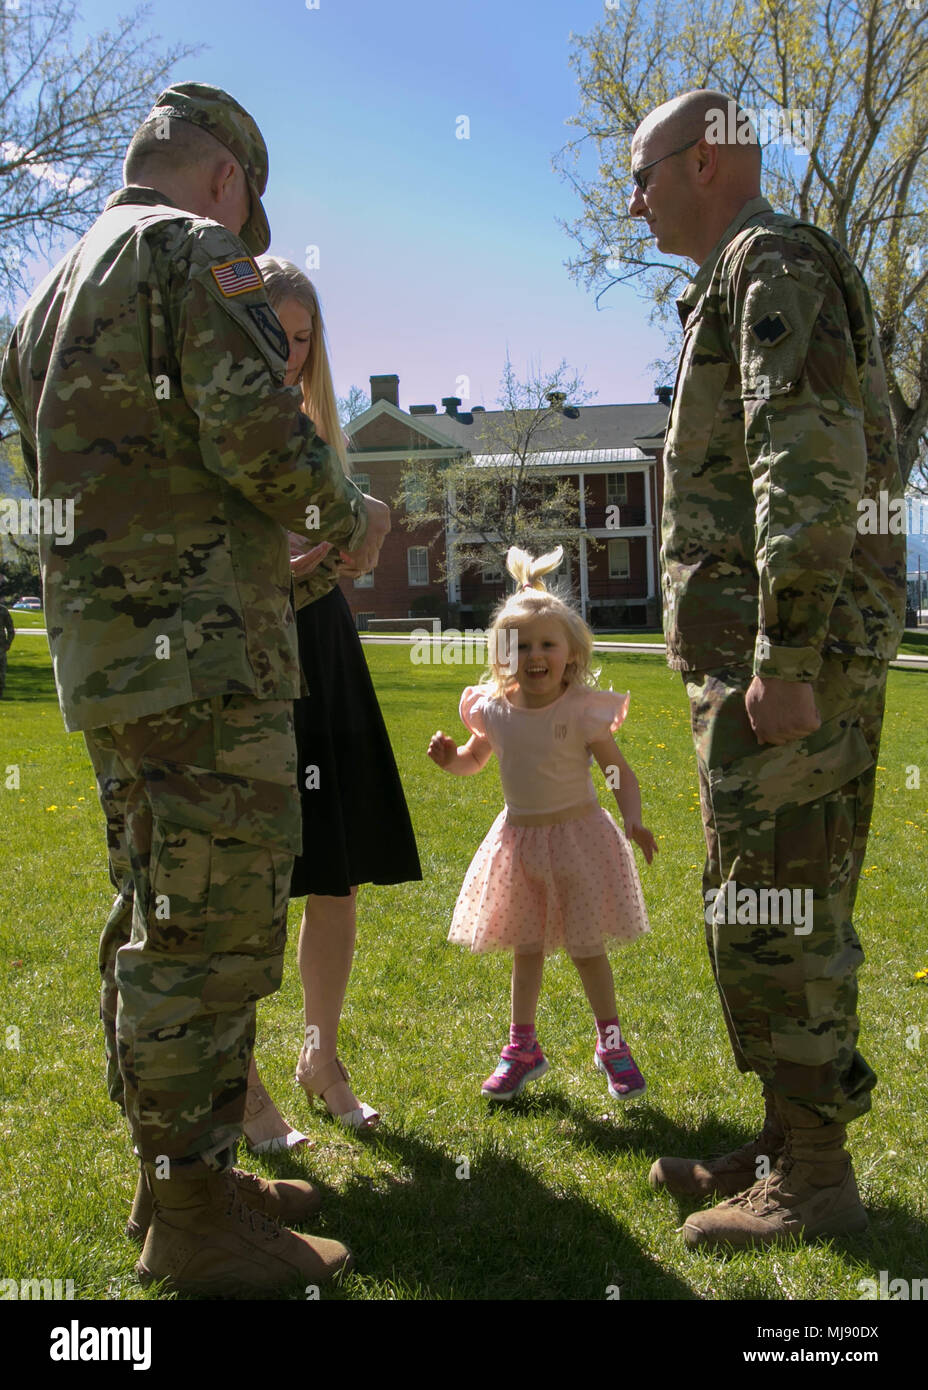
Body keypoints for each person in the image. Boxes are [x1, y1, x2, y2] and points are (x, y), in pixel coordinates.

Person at [0, 80, 390, 1296]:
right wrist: (351, 516)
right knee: (205, 938)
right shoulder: (193, 252)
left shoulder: (48, 292)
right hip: (207, 662)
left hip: (112, 664)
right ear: (227, 177)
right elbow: (265, 436)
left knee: (157, 914)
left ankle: (185, 1176)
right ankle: (191, 1219)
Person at [627, 90, 906, 1250]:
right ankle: (786, 1138)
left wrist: (785, 651)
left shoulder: (772, 260)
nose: (633, 202)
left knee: (780, 908)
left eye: (641, 175)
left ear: (704, 161)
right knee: (757, 897)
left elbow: (807, 456)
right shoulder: (743, 272)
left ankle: (816, 1177)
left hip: (789, 656)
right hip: (760, 652)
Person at [241, 257, 421, 1150]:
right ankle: (241, 1083)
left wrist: (361, 523)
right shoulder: (215, 421)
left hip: (322, 644)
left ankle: (321, 1056)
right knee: (245, 882)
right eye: (272, 335)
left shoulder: (317, 432)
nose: (288, 355)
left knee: (334, 871)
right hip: (246, 658)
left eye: (302, 339)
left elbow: (348, 525)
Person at [427, 546, 657, 1102]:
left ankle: (612, 1044)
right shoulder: (493, 710)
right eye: (521, 646)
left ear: (570, 654)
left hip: (579, 839)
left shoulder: (581, 710)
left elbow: (617, 770)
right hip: (519, 843)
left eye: (546, 645)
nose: (534, 656)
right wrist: (452, 759)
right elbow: (475, 760)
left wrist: (633, 819)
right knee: (526, 947)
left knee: (587, 948)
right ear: (502, 656)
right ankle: (522, 1048)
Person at [0, 602, 13, 697]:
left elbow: (10, 628)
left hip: (1, 646)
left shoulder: (3, 610)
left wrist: (8, 642)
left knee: (1, 671)